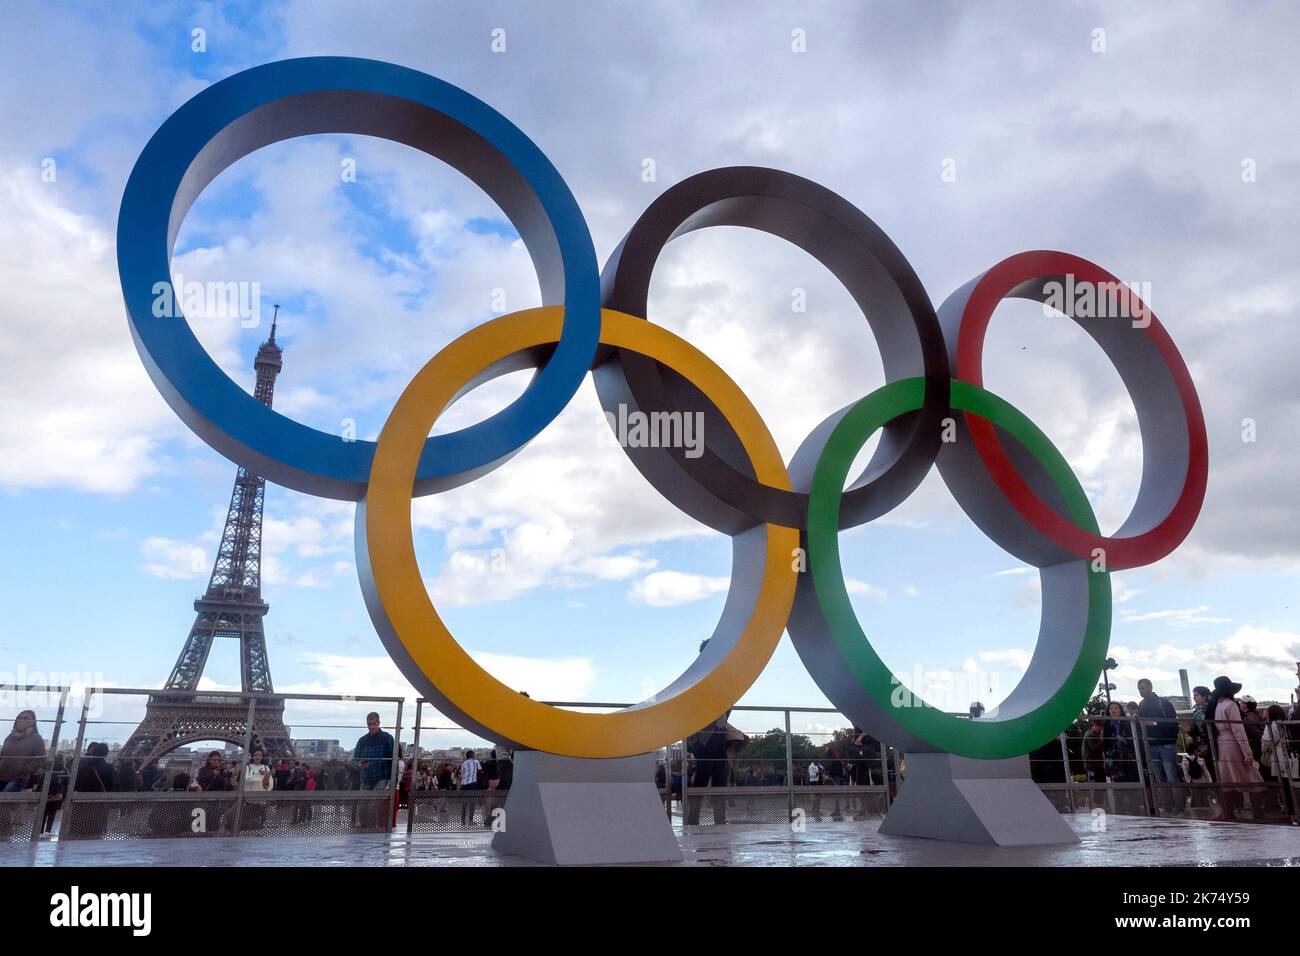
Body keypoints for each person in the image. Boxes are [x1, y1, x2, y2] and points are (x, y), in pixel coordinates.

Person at [1207, 675, 1262, 821]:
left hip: (1222, 744)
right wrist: (1247, 753)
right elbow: (1238, 730)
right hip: (1233, 744)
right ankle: (1259, 812)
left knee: (1228, 780)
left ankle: (1229, 812)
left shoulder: (1217, 705)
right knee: (1252, 778)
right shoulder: (1230, 705)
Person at [1136, 678, 1181, 813]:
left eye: (1142, 688)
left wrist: (1153, 723)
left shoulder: (1163, 703)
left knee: (1170, 776)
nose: (1141, 691)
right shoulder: (1142, 704)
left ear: (1150, 687)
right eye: (1139, 689)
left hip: (1165, 743)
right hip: (1152, 744)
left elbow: (1173, 723)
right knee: (1160, 778)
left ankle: (1178, 806)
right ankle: (1168, 806)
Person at [0, 710, 46, 792]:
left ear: (32, 722)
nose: (21, 720)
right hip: (2, 776)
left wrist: (25, 769)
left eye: (25, 718)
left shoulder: (35, 738)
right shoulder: (9, 737)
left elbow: (41, 760)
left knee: (3, 803)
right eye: (19, 717)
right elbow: (2, 755)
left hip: (18, 778)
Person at [1104, 702, 1137, 782]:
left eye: (1116, 708)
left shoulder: (1127, 722)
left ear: (1120, 711)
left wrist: (1126, 740)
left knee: (1131, 779)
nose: (1113, 710)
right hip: (1114, 758)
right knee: (1118, 782)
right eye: (1111, 708)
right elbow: (1105, 744)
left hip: (1127, 756)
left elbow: (1135, 738)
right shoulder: (1106, 725)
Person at [1240, 696, 1265, 763]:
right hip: (1260, 747)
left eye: (1241, 702)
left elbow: (1256, 734)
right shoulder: (1257, 716)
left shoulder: (1247, 719)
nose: (1240, 704)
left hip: (1254, 748)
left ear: (1245, 705)